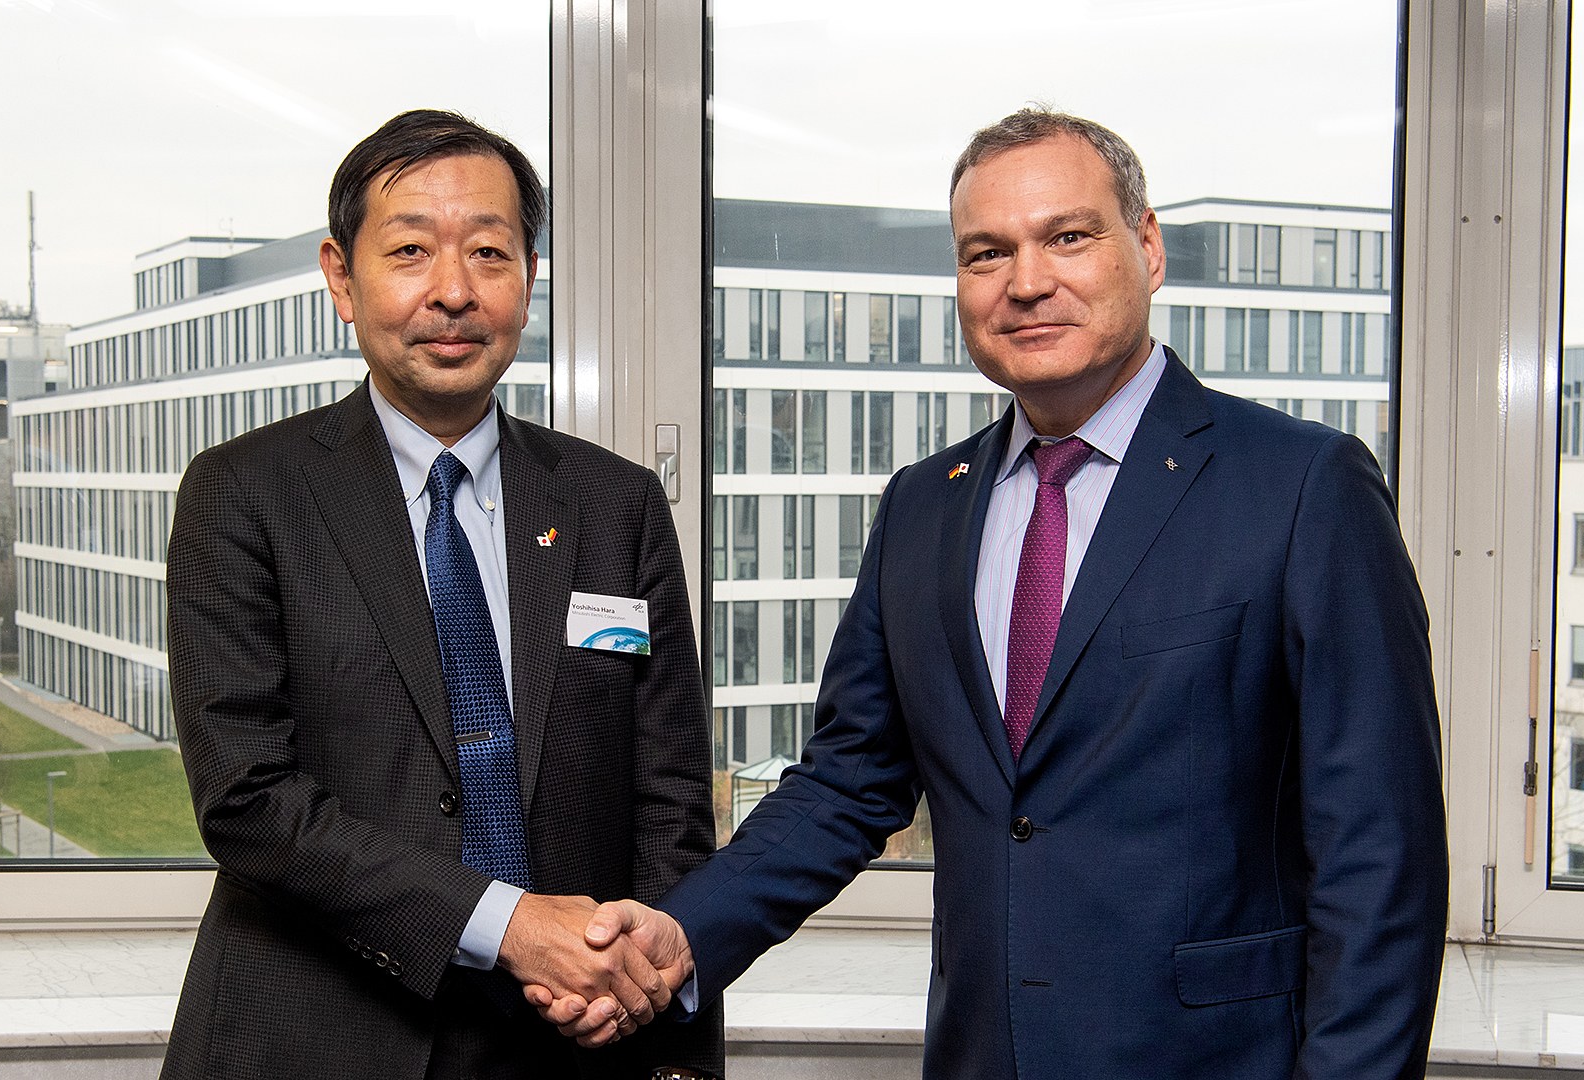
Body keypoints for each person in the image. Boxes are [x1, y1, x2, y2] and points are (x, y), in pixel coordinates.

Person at [566, 107, 1449, 1078]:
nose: (1027, 282)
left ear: (1146, 248)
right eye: (986, 253)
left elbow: (1382, 855)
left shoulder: (1301, 487)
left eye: (1068, 237)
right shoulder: (921, 508)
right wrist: (681, 935)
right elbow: (847, 785)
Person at [161, 109, 723, 1080]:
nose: (454, 292)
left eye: (490, 254)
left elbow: (668, 797)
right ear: (343, 277)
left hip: (574, 1039)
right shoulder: (245, 495)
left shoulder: (613, 505)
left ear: (529, 279)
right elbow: (247, 799)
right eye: (411, 250)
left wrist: (659, 1006)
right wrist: (508, 926)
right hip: (318, 1037)